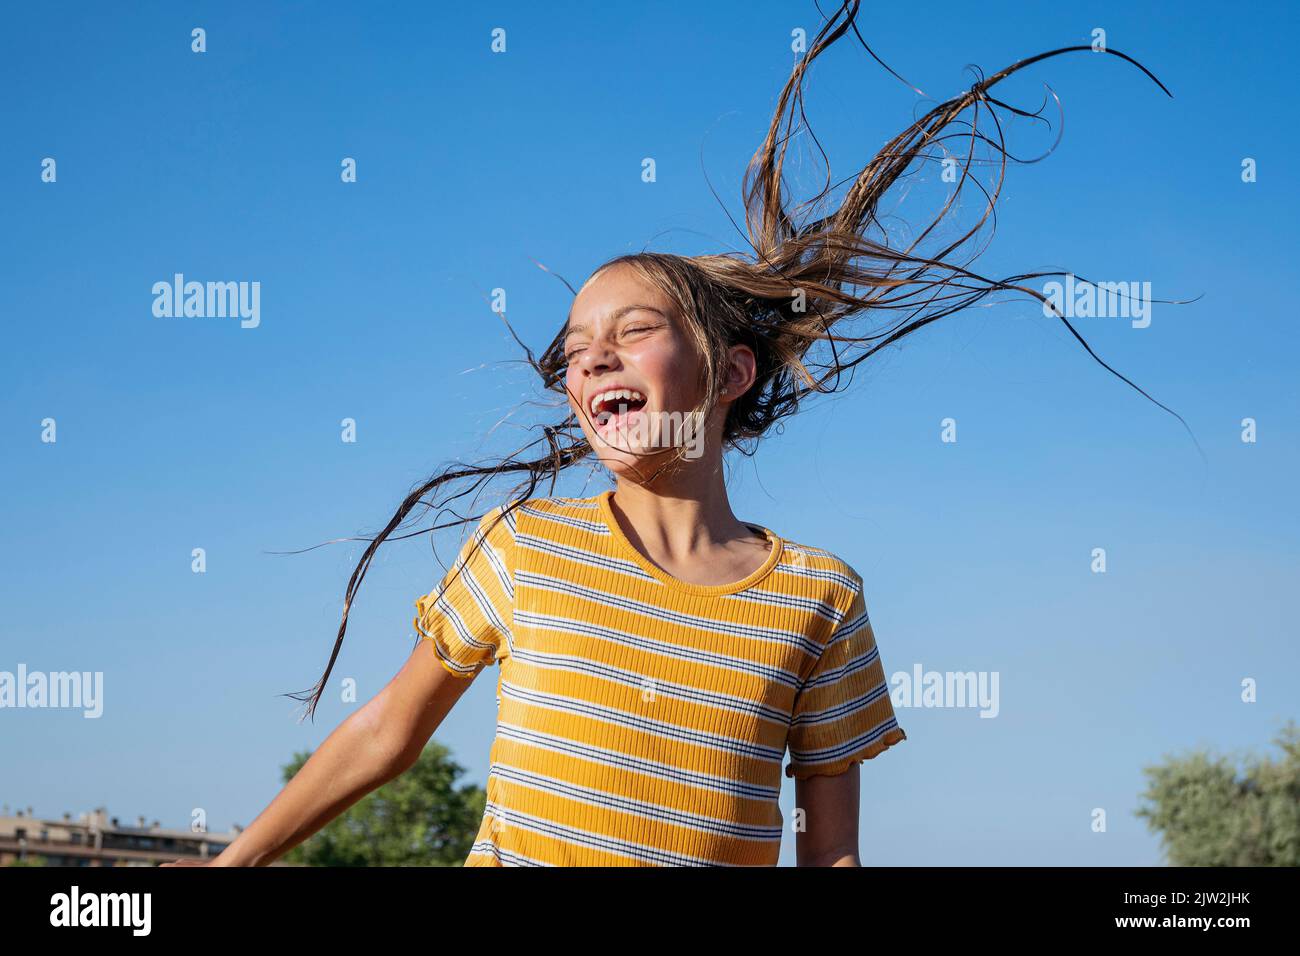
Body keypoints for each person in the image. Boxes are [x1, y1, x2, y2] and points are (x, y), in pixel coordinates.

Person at [165, 0, 1175, 867]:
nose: (591, 356)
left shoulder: (818, 596)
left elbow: (831, 846)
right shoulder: (524, 548)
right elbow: (387, 728)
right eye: (575, 348)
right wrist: (237, 861)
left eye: (633, 331)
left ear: (730, 371)